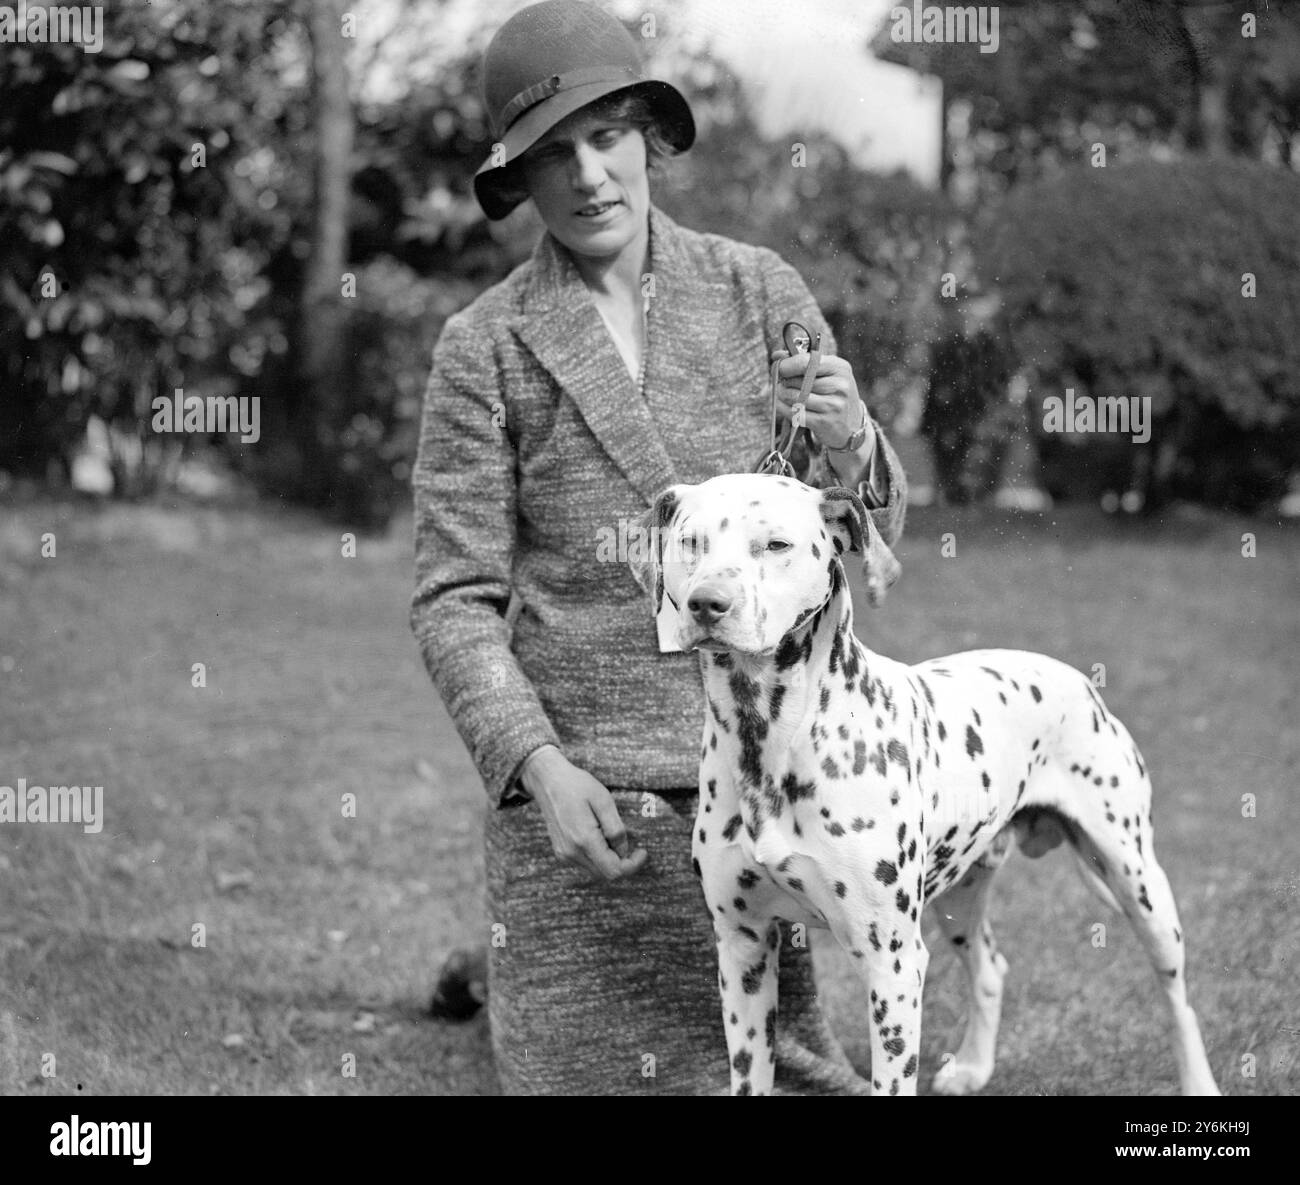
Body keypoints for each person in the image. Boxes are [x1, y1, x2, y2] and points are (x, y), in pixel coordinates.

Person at [411, 0, 907, 1094]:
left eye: (606, 138)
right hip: (585, 800)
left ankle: (485, 971)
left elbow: (844, 531)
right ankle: (501, 965)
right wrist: (536, 770)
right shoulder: (482, 349)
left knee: (784, 1068)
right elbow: (453, 596)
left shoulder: (757, 290)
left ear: (649, 139)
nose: (587, 177)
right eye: (552, 155)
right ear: (520, 181)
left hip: (762, 770)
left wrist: (855, 444)